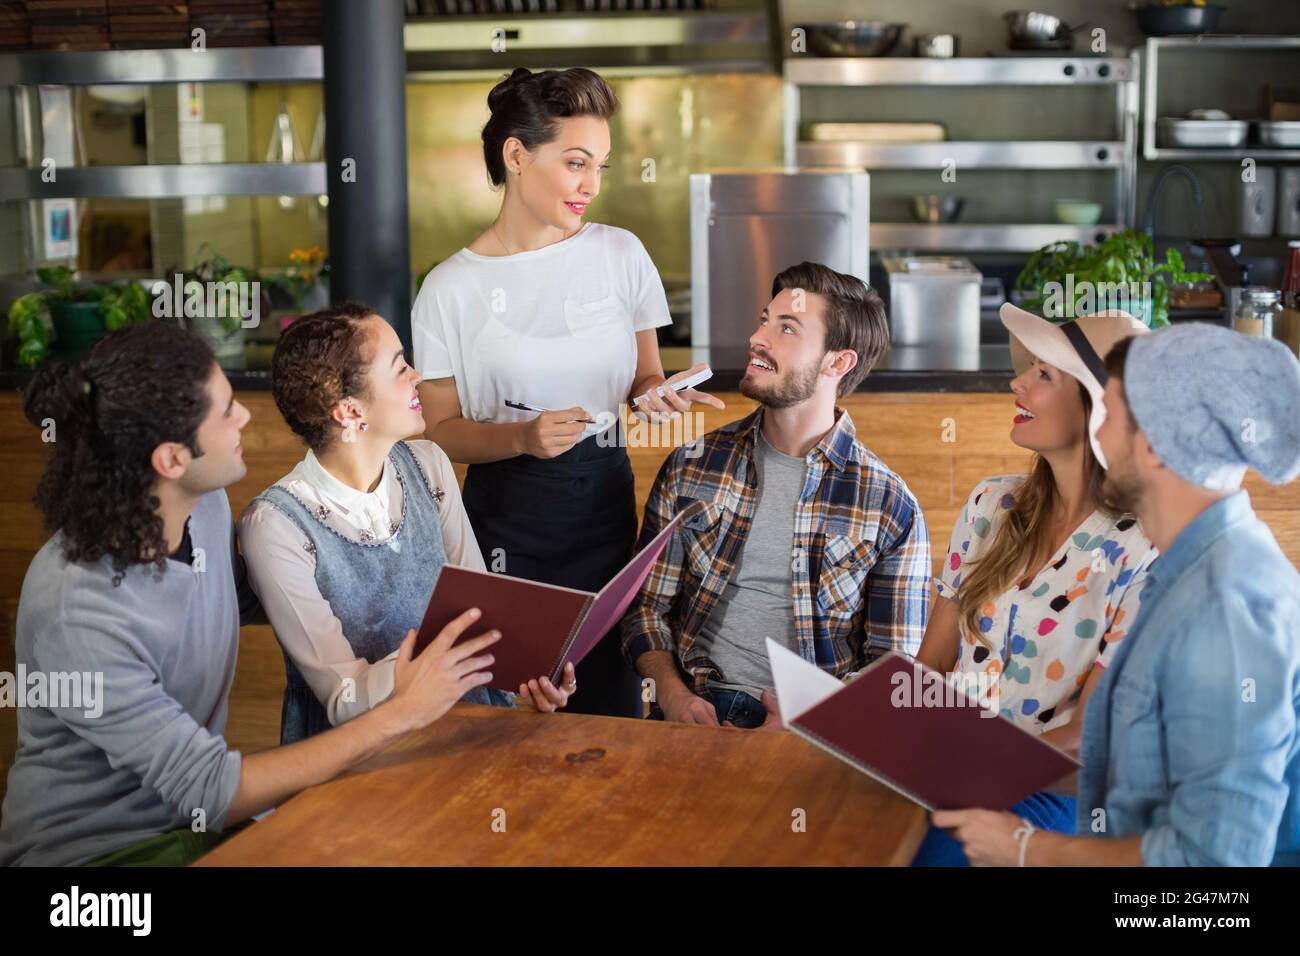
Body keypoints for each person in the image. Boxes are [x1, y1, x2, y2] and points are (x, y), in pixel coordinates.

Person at [0, 323, 501, 866]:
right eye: (226, 411)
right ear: (170, 460)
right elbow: (213, 787)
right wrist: (401, 710)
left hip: (199, 828)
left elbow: (272, 592)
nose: (245, 416)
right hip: (98, 858)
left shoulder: (204, 510)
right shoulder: (76, 609)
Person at [413, 67, 724, 719]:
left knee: (608, 707)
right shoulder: (449, 288)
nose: (591, 185)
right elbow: (439, 429)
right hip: (503, 524)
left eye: (601, 166)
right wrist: (521, 438)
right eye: (576, 162)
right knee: (509, 715)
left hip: (605, 511)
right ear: (517, 155)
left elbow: (642, 377)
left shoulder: (621, 254)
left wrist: (654, 395)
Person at [935, 323, 1300, 866]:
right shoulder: (1189, 572)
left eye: (1112, 414)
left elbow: (1216, 869)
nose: (1099, 436)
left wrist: (1027, 850)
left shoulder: (1223, 604)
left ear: (1153, 444)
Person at [239, 304, 574, 744]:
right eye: (399, 367)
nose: (416, 376)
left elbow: (481, 609)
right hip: (359, 759)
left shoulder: (429, 464)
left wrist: (527, 671)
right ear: (349, 411)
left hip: (470, 727)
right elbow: (344, 699)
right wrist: (438, 658)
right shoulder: (276, 526)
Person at [622, 262, 930, 728]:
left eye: (787, 328)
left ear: (837, 362)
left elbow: (894, 664)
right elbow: (645, 608)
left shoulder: (890, 505)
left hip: (818, 733)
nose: (757, 338)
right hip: (690, 713)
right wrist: (671, 695)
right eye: (765, 319)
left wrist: (810, 724)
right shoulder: (692, 465)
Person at [910, 306, 1156, 866]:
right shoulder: (991, 504)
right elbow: (928, 669)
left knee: (927, 854)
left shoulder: (1142, 548)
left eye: (1044, 374)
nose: (1017, 381)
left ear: (1099, 408)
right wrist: (875, 732)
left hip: (1052, 796)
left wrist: (971, 773)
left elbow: (1087, 745)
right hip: (945, 769)